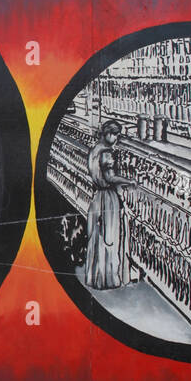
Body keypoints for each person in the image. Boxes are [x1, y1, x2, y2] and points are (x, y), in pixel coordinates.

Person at [84, 119, 132, 290]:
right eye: (116, 134)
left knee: (97, 237)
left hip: (97, 197)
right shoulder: (106, 153)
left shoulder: (94, 150)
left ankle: (96, 277)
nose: (117, 138)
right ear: (108, 134)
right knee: (109, 236)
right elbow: (110, 178)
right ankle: (109, 279)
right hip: (108, 197)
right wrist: (130, 182)